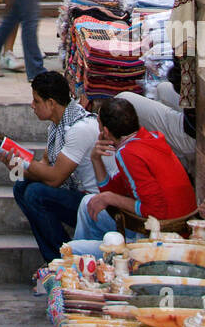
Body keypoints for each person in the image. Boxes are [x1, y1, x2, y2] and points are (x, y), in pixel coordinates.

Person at [0, 70, 110, 263]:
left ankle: (63, 261)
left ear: (51, 103)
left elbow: (54, 177)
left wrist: (24, 161)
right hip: (75, 195)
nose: (32, 106)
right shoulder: (55, 127)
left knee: (35, 194)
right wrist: (13, 164)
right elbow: (42, 168)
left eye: (36, 101)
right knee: (21, 186)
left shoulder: (79, 128)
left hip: (94, 203)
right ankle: (54, 259)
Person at [72, 96, 197, 245]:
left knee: (75, 247)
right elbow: (112, 190)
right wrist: (96, 160)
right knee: (88, 203)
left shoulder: (128, 153)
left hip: (164, 235)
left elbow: (155, 211)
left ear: (105, 131)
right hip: (167, 223)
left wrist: (110, 198)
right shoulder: (147, 138)